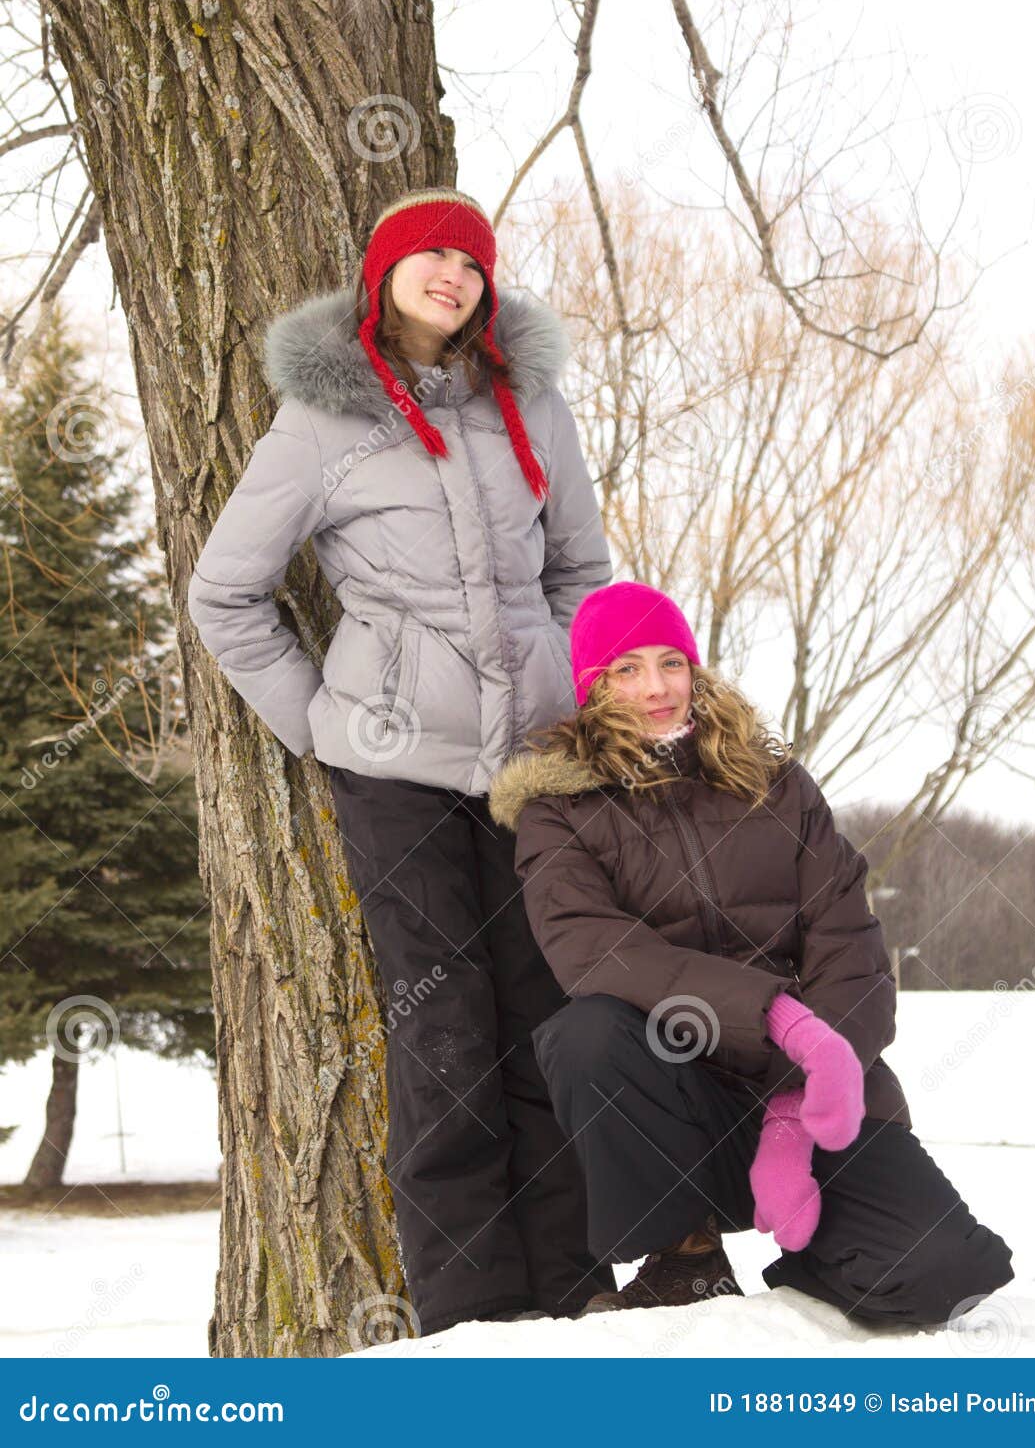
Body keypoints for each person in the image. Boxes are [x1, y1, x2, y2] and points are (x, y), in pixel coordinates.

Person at [186, 186, 618, 1337]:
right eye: (428, 255)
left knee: (551, 1022)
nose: (452, 274)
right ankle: (470, 1315)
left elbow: (581, 574)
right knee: (441, 1034)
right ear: (382, 274)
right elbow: (225, 594)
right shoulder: (322, 421)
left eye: (470, 261)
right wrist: (324, 722)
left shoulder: (532, 405)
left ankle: (571, 1302)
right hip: (398, 775)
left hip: (533, 775)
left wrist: (572, 719)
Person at [487, 580, 1015, 1328]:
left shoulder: (777, 784)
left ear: (694, 670)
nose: (656, 687)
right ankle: (686, 1255)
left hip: (815, 1096)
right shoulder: (559, 811)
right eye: (627, 669)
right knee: (586, 1033)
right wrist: (776, 1016)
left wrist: (797, 1109)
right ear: (593, 687)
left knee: (942, 1278)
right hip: (675, 1092)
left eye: (670, 662)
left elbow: (850, 944)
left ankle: (817, 1258)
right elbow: (591, 949)